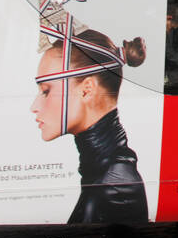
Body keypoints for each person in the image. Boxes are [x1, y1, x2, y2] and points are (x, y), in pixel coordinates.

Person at [31, 26, 148, 224]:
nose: (34, 106)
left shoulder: (113, 185)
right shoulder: (105, 173)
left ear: (87, 90)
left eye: (46, 91)